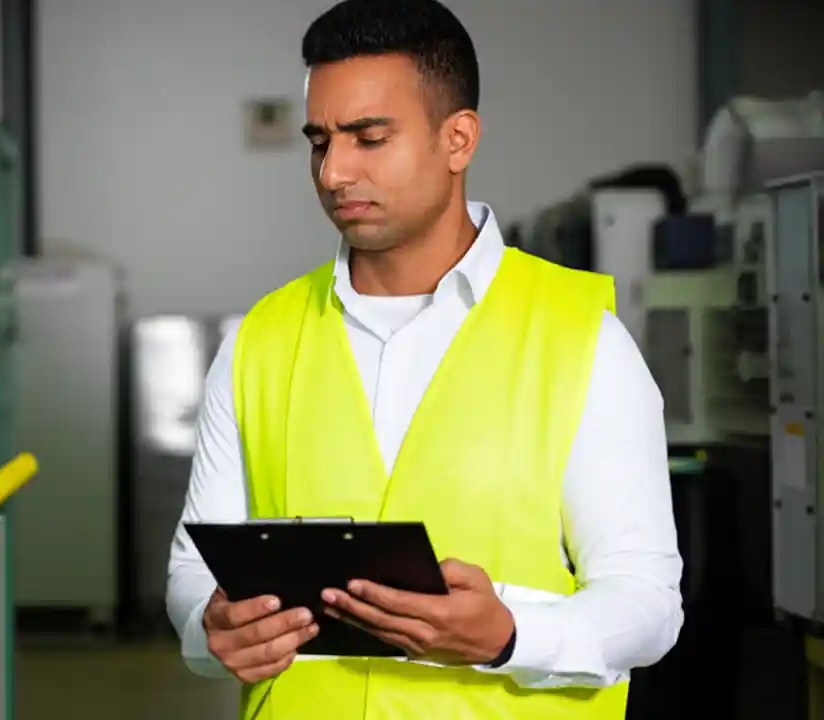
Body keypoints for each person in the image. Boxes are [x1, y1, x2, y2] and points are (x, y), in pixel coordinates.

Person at [164, 0, 684, 717]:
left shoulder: (583, 341)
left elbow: (648, 604)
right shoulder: (260, 340)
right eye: (320, 142)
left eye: (369, 138)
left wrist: (508, 633)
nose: (334, 171)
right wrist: (208, 627)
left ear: (458, 139)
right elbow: (196, 568)